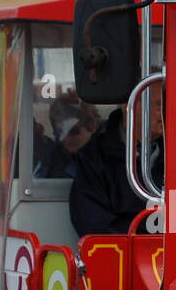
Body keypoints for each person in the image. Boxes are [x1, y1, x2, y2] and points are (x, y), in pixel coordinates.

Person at [69, 97, 162, 237]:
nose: (166, 110)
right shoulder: (94, 157)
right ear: (128, 104)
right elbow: (93, 226)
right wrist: (149, 241)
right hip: (119, 255)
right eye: (158, 103)